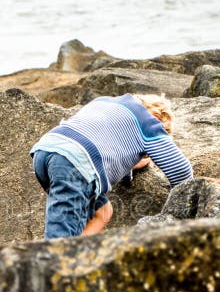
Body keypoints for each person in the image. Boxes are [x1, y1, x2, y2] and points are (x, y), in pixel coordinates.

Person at [30, 93, 193, 239]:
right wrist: (188, 208)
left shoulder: (104, 101)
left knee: (103, 211)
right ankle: (54, 266)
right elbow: (180, 169)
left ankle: (78, 253)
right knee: (60, 237)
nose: (144, 155)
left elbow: (107, 143)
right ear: (157, 117)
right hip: (75, 165)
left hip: (45, 152)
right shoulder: (149, 123)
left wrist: (130, 165)